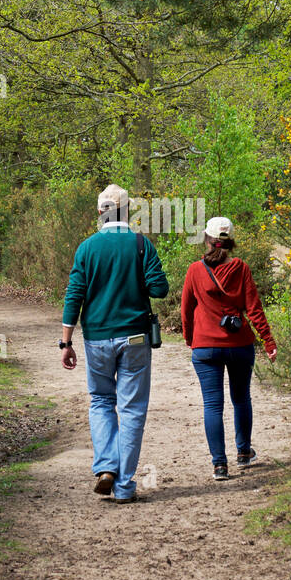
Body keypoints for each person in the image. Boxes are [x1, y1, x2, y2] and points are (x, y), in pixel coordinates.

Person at [60, 184, 169, 504]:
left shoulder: (87, 248)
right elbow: (159, 289)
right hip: (135, 337)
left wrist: (65, 342)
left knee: (100, 401)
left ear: (100, 213)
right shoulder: (140, 244)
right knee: (132, 408)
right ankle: (123, 486)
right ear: (128, 210)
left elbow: (74, 295)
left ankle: (106, 465)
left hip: (96, 340)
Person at [181, 216, 277, 481]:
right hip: (239, 344)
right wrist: (268, 341)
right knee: (241, 399)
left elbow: (186, 309)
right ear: (230, 242)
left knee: (213, 405)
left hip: (205, 347)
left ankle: (219, 465)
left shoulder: (195, 270)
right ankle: (244, 453)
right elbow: (254, 309)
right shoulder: (241, 268)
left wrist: (192, 340)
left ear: (207, 239)